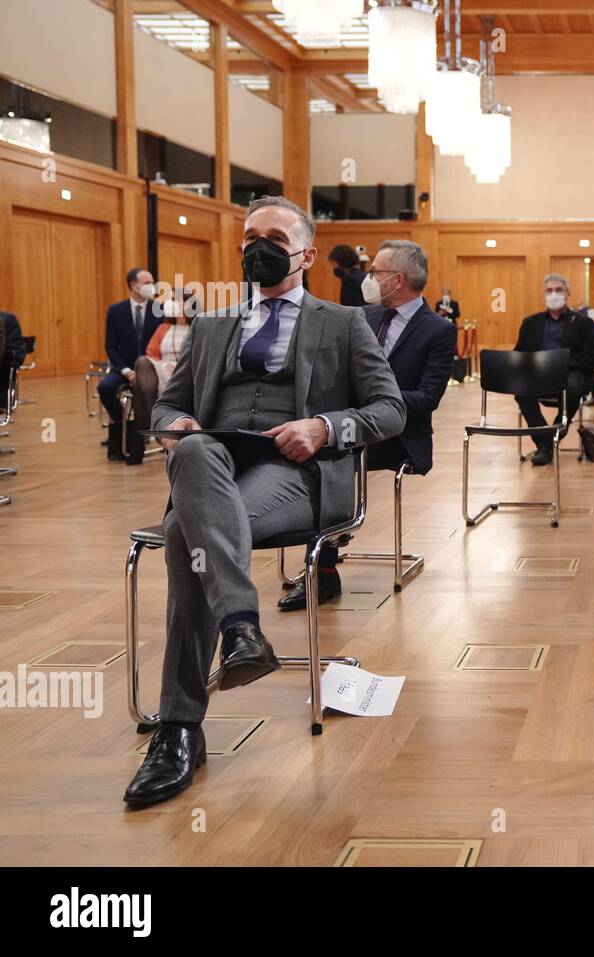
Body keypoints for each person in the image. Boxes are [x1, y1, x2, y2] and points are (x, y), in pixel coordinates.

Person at [122, 196, 406, 808]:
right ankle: (242, 629)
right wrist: (179, 425)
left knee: (183, 535)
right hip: (216, 463)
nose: (258, 245)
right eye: (250, 235)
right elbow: (168, 406)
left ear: (304, 253)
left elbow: (391, 411)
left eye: (273, 236)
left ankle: (178, 729)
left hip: (295, 470)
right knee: (192, 456)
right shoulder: (214, 324)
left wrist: (324, 428)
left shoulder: (344, 322)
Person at [279, 239, 457, 613]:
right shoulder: (362, 316)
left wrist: (377, 403)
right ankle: (318, 550)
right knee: (315, 447)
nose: (367, 277)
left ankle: (323, 568)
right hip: (351, 426)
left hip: (399, 434)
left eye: (374, 271)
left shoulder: (437, 330)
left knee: (333, 457)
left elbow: (427, 399)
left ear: (397, 279)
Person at [514, 274, 594, 467]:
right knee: (521, 390)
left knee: (573, 387)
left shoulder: (583, 322)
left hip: (570, 373)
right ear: (544, 294)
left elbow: (592, 357)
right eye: (549, 290)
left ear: (568, 293)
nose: (554, 294)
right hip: (537, 373)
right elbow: (519, 353)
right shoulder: (531, 323)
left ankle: (556, 432)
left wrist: (561, 363)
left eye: (559, 290)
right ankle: (545, 441)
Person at [126, 289, 200, 464]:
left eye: (177, 300)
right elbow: (151, 354)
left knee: (139, 387)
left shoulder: (199, 325)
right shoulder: (163, 328)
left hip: (186, 372)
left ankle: (143, 433)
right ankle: (153, 420)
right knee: (143, 363)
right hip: (160, 369)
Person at [100, 269, 164, 461]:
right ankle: (122, 425)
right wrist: (127, 371)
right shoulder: (115, 311)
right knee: (105, 387)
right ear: (133, 285)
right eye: (147, 282)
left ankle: (138, 433)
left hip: (149, 368)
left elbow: (160, 344)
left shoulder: (158, 310)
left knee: (141, 392)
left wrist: (144, 369)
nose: (151, 286)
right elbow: (110, 346)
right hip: (123, 368)